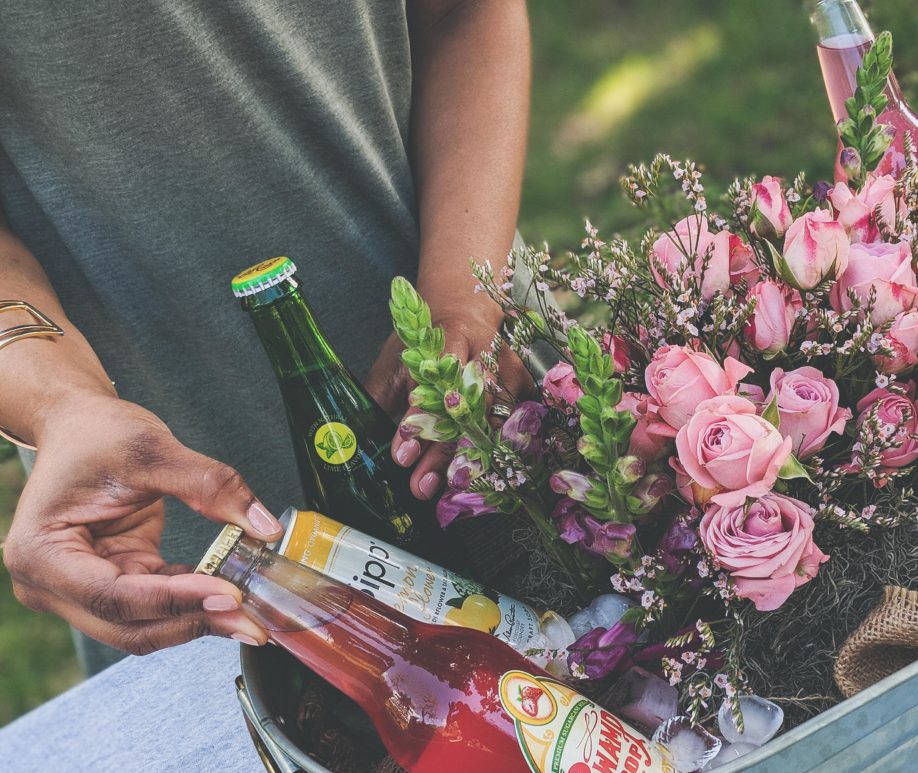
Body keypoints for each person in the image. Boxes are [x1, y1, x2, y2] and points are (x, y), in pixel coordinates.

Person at [0, 0, 531, 659]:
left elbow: (459, 11)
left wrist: (464, 300)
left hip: (482, 415)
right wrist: (58, 405)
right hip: (174, 543)